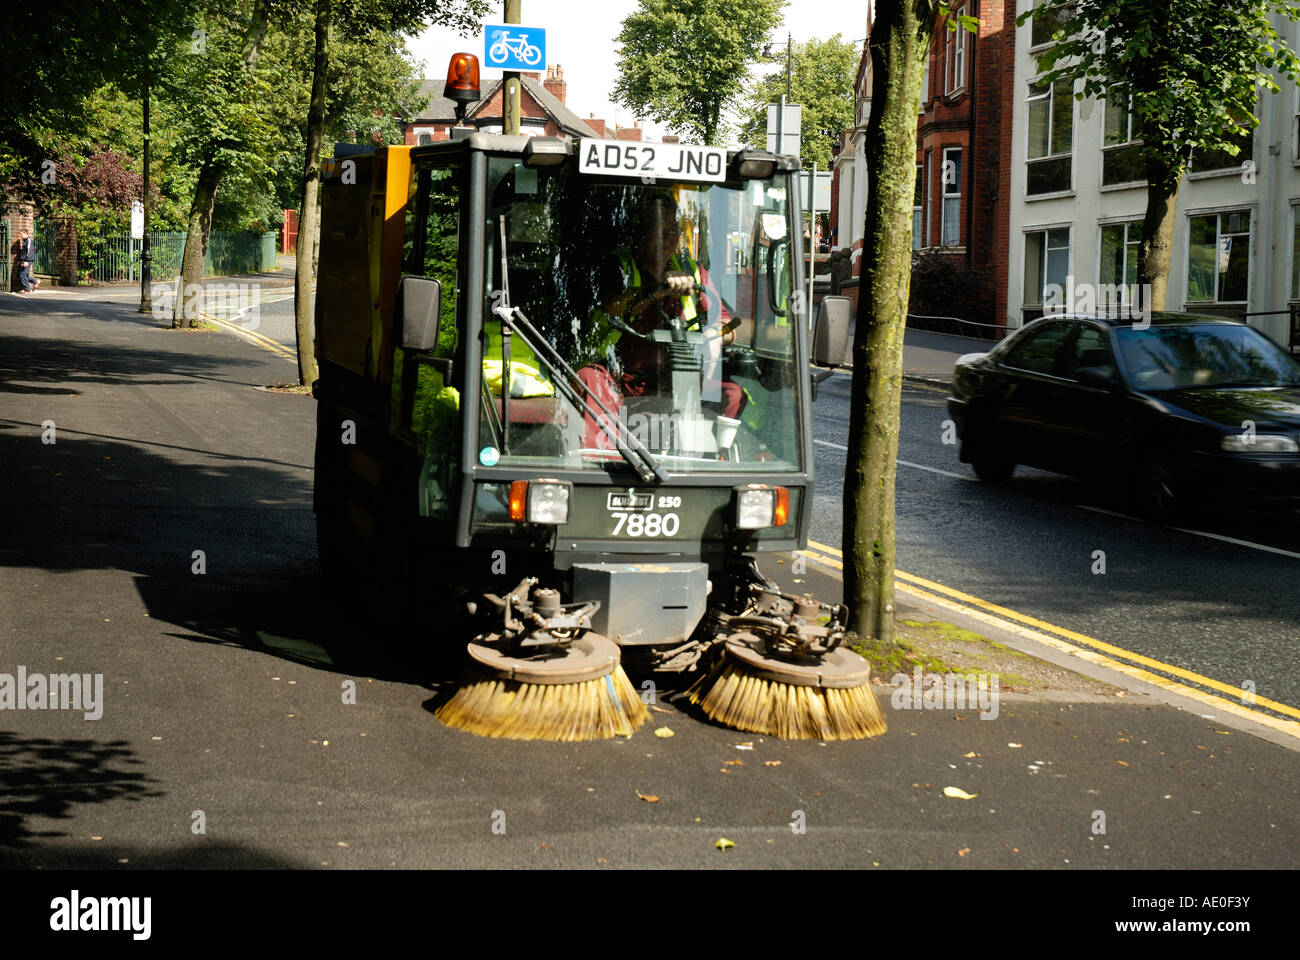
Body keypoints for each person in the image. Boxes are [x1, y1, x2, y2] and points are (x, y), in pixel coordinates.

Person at [580, 192, 744, 443]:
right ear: (640, 232)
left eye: (673, 230)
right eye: (660, 228)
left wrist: (715, 335)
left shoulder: (692, 270)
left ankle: (714, 462)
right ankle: (603, 460)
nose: (670, 237)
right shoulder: (616, 266)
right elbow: (613, 308)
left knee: (732, 393)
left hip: (680, 379)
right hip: (622, 383)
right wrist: (661, 287)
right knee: (590, 378)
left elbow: (728, 325)